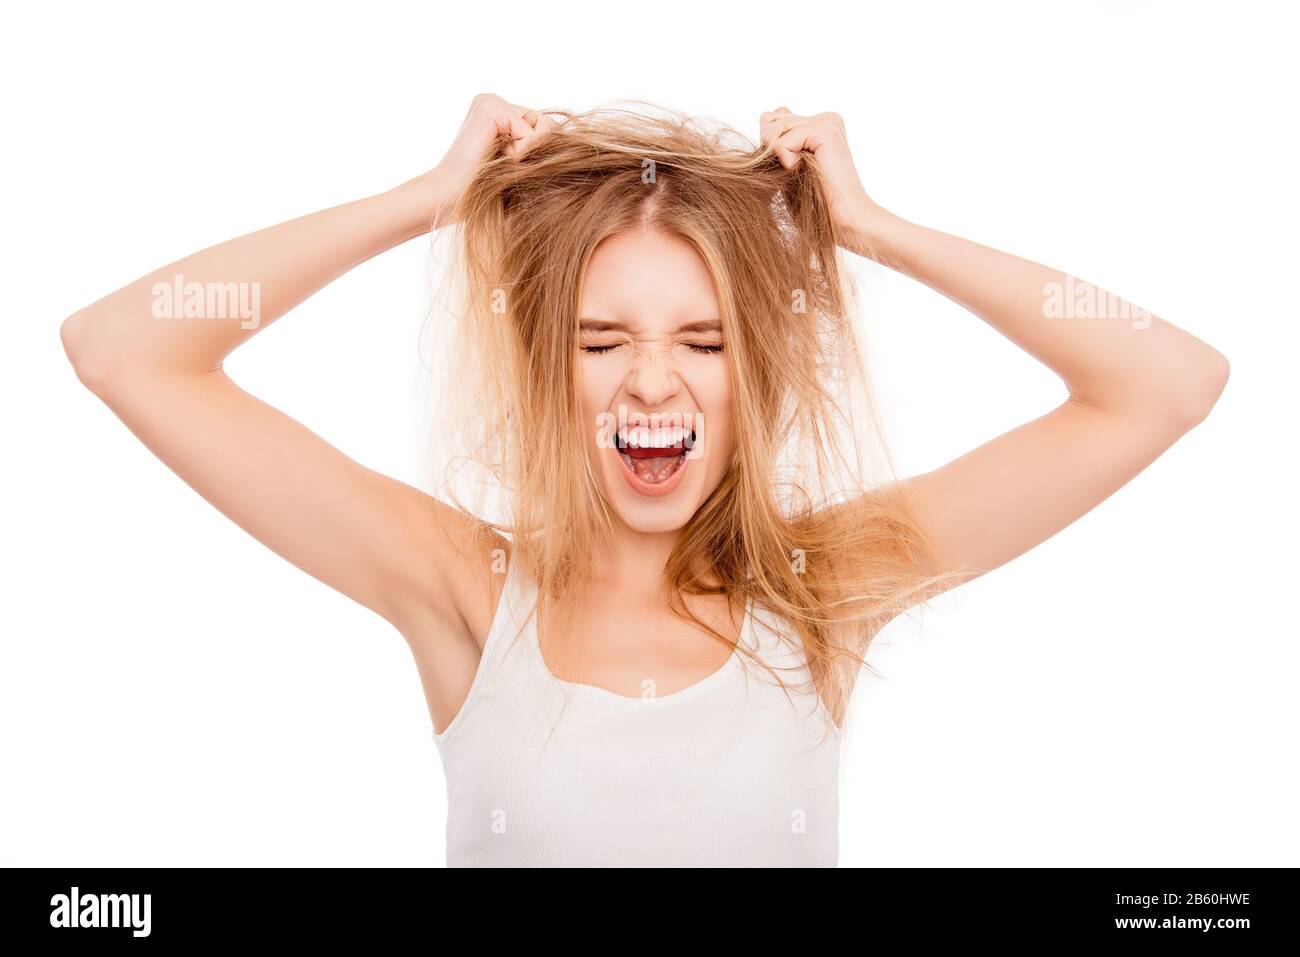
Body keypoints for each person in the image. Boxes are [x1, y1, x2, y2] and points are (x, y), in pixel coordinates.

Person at [60, 94, 1229, 867]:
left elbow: (1165, 383)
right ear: (544, 367)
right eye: (600, 339)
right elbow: (126, 349)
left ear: (754, 374)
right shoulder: (471, 594)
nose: (651, 383)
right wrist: (428, 202)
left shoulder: (815, 597)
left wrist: (867, 229)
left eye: (706, 342)